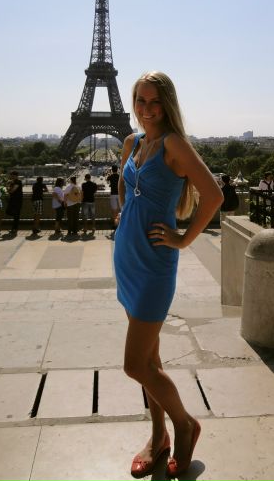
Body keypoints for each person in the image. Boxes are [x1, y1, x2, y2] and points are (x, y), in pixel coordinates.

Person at [114, 71, 223, 478]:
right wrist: (125, 212)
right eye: (140, 100)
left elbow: (214, 195)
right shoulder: (133, 142)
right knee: (151, 359)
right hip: (127, 259)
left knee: (134, 365)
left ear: (167, 104)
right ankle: (158, 435)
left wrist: (183, 239)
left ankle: (184, 424)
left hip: (155, 265)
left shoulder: (174, 145)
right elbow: (125, 184)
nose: (146, 109)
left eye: (154, 101)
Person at [106, 164, 121, 229]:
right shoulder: (119, 176)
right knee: (121, 209)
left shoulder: (110, 176)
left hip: (113, 194)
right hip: (120, 194)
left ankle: (116, 224)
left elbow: (107, 181)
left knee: (114, 211)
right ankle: (121, 224)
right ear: (117, 170)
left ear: (112, 170)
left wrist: (109, 173)